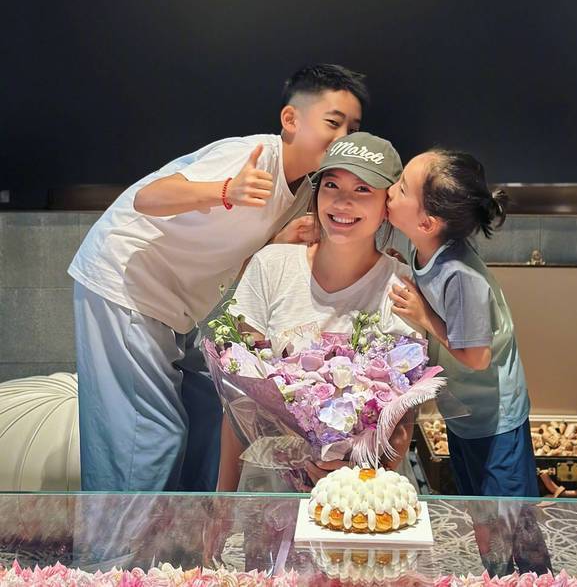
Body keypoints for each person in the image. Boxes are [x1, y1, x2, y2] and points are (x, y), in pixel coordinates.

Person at [67, 64, 368, 492]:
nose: (344, 138)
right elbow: (147, 197)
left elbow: (244, 264)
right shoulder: (252, 156)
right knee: (149, 438)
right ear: (290, 119)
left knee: (211, 410)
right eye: (333, 123)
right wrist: (227, 190)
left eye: (352, 128)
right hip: (127, 282)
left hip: (179, 305)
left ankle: (188, 527)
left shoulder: (306, 189)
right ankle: (124, 536)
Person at [217, 132, 423, 493]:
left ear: (386, 205)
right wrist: (223, 496)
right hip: (271, 490)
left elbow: (403, 420)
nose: (343, 202)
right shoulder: (271, 266)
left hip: (364, 494)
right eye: (331, 185)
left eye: (363, 190)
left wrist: (353, 475)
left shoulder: (401, 287)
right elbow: (239, 399)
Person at [386, 149, 539, 496]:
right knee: (478, 506)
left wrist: (424, 315)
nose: (390, 190)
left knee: (508, 515)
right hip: (466, 413)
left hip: (494, 421)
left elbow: (477, 357)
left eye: (402, 188)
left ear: (427, 223)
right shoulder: (425, 246)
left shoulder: (460, 276)